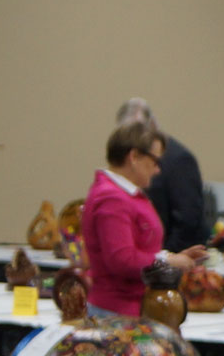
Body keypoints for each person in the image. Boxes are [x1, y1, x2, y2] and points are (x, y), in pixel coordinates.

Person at [81, 121, 205, 317]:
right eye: (156, 161)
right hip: (117, 312)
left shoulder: (124, 194)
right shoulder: (111, 198)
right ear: (134, 157)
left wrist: (173, 257)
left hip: (129, 309)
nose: (158, 170)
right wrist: (169, 261)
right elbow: (122, 260)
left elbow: (139, 251)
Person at [116, 98, 215, 251]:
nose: (131, 146)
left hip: (178, 255)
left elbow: (187, 221)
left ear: (152, 127)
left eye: (136, 136)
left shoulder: (179, 159)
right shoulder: (133, 157)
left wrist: (163, 261)